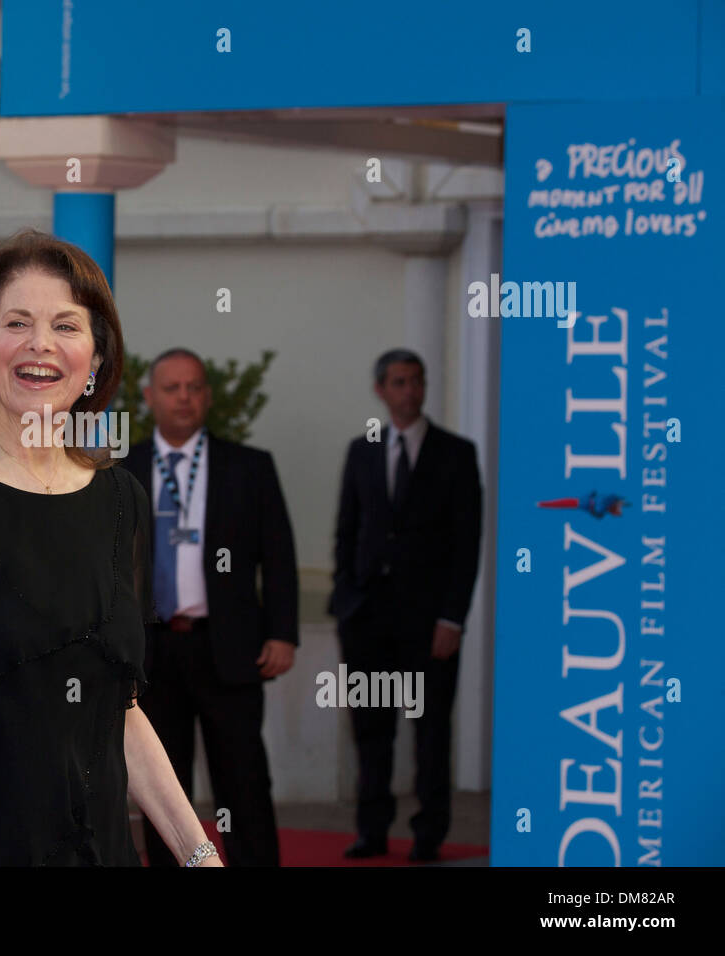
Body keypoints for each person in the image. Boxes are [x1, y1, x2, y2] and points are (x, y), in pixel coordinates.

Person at [0, 230, 221, 866]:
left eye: (66, 325)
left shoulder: (121, 501)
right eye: (18, 322)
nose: (41, 344)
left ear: (95, 359)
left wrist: (197, 853)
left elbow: (119, 710)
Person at [125, 348, 298, 867]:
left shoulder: (249, 467)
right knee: (162, 790)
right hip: (152, 653)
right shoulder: (119, 469)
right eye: (172, 388)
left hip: (230, 648)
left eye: (194, 387)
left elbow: (280, 556)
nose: (184, 397)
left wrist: (283, 632)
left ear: (208, 396)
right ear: (150, 397)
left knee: (243, 782)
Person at [328, 348, 482, 862]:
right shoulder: (363, 449)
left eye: (417, 381)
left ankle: (428, 834)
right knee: (372, 731)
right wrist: (346, 595)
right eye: (398, 382)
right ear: (381, 390)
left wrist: (452, 618)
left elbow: (467, 544)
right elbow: (347, 530)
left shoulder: (456, 453)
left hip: (429, 621)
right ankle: (372, 831)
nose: (409, 391)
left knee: (430, 732)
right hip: (367, 619)